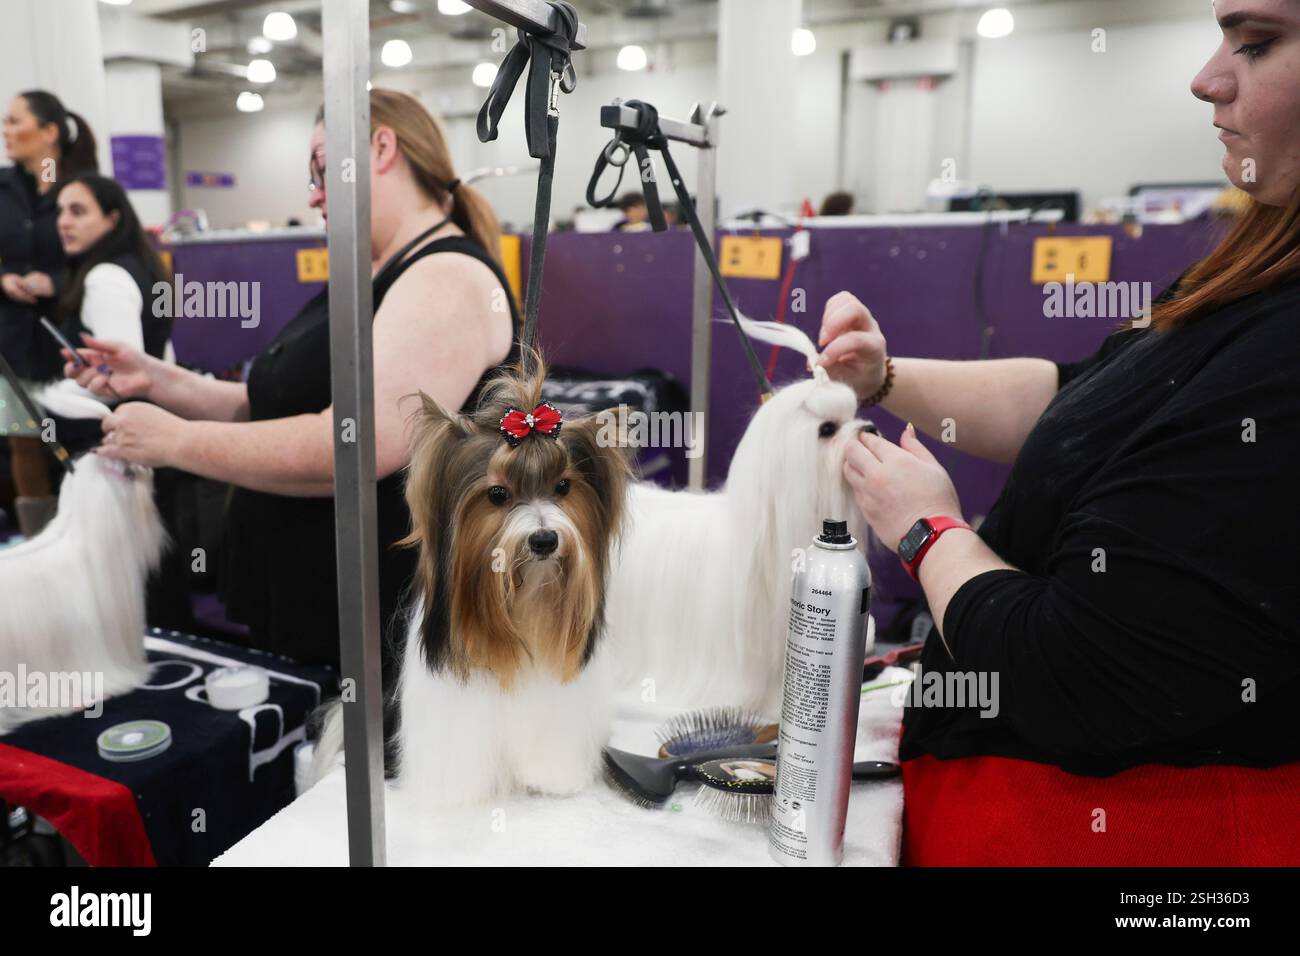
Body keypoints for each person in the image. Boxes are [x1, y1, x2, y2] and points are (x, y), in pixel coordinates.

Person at [818, 0, 1300, 777]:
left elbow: (1080, 674)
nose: (1207, 80)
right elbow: (1081, 402)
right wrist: (885, 378)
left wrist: (926, 531)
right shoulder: (1263, 263)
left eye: (1254, 43)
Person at [65, 89, 519, 718]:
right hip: (311, 613)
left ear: (380, 148)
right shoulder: (374, 273)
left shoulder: (446, 279)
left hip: (382, 627)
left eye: (319, 167)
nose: (313, 194)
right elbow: (273, 407)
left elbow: (352, 448)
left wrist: (173, 442)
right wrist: (156, 380)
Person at [0, 90, 98, 531]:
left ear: (49, 132)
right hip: (14, 338)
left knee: (79, 439)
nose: (6, 131)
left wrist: (54, 283)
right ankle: (37, 541)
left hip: (70, 337)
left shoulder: (78, 189)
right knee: (23, 440)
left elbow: (101, 257)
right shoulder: (3, 188)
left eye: (15, 121)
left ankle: (87, 534)